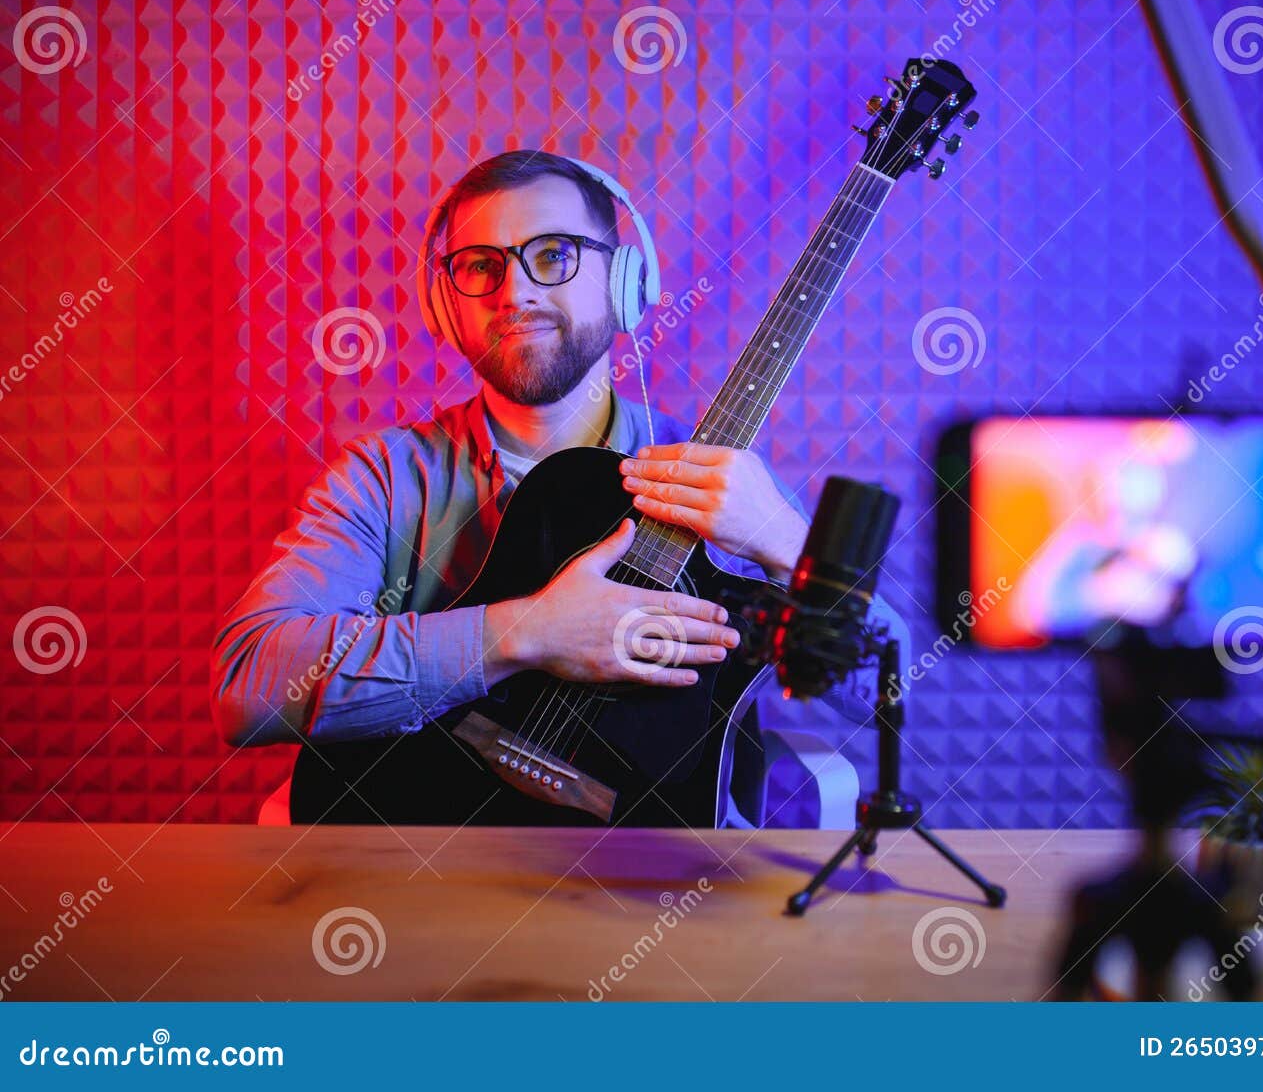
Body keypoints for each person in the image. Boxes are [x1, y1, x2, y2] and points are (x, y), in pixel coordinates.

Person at [210, 149, 903, 825]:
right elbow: (248, 690)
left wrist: (787, 542)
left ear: (626, 280)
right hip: (432, 852)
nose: (516, 293)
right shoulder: (387, 478)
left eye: (554, 255)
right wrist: (524, 632)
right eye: (481, 266)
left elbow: (881, 691)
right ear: (446, 306)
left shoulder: (720, 478)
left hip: (643, 879)